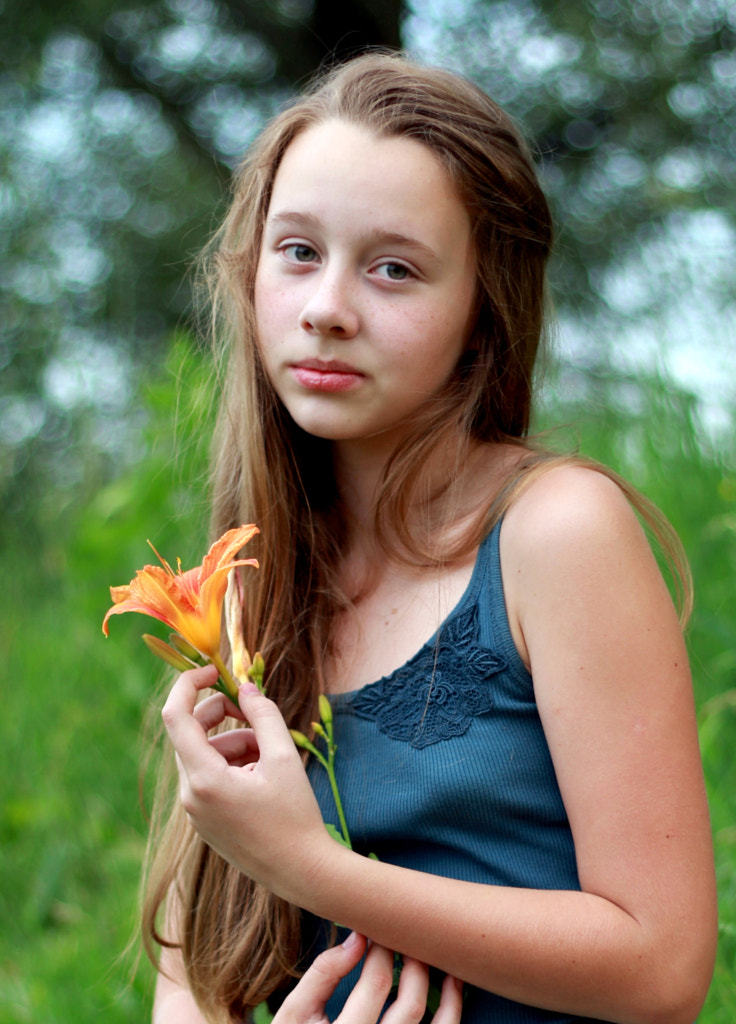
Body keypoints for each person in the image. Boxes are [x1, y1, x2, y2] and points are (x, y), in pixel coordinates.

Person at [144, 53, 717, 1024]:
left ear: (480, 309)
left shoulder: (555, 533)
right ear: (247, 275)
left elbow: (663, 969)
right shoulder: (245, 582)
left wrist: (310, 868)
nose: (327, 306)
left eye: (394, 268)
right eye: (296, 251)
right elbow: (197, 975)